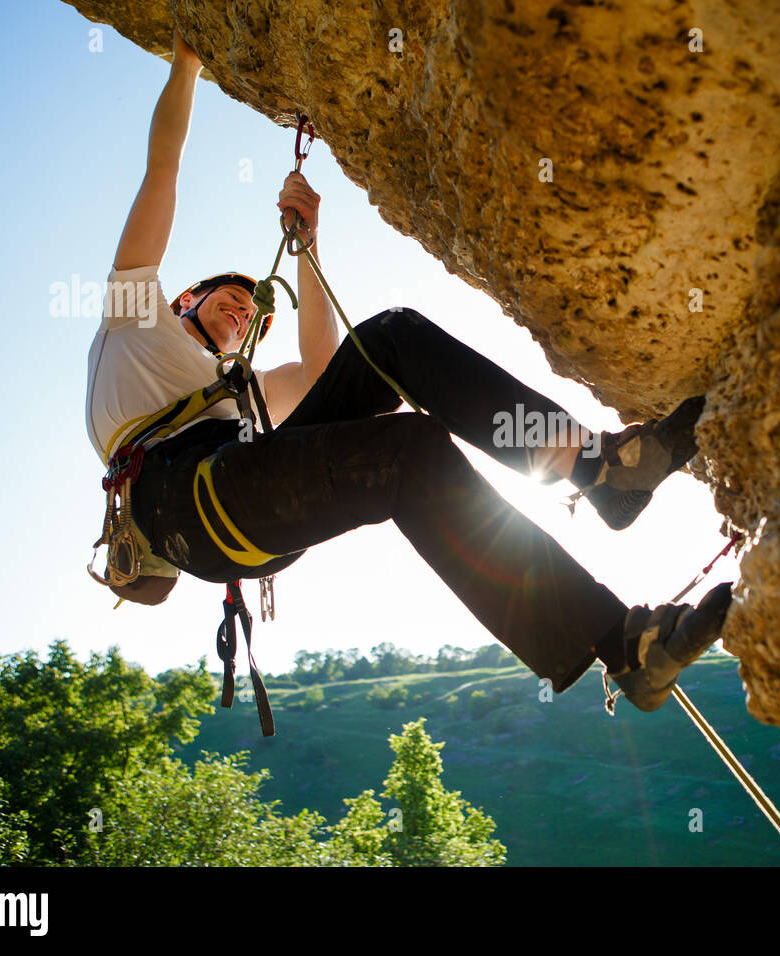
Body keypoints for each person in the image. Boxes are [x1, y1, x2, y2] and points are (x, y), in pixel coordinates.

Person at [83, 30, 733, 713]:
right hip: (185, 499)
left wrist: (307, 248)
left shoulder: (232, 395)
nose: (242, 314)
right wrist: (186, 64)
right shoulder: (134, 320)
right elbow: (161, 171)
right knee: (409, 451)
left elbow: (317, 368)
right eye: (229, 300)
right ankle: (618, 642)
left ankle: (597, 470)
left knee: (387, 341)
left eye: (250, 315)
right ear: (183, 299)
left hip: (241, 487)